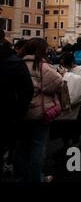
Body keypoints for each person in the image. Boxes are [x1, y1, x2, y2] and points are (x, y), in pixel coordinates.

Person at [16, 38, 63, 182]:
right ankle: (36, 178)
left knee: (21, 147)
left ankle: (20, 177)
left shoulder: (17, 63)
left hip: (19, 111)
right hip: (39, 113)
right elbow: (58, 83)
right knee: (37, 147)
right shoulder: (42, 66)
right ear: (42, 50)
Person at [0, 33, 33, 181]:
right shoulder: (15, 62)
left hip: (10, 109)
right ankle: (9, 164)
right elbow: (27, 90)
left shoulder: (16, 61)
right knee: (12, 141)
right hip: (9, 110)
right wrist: (21, 111)